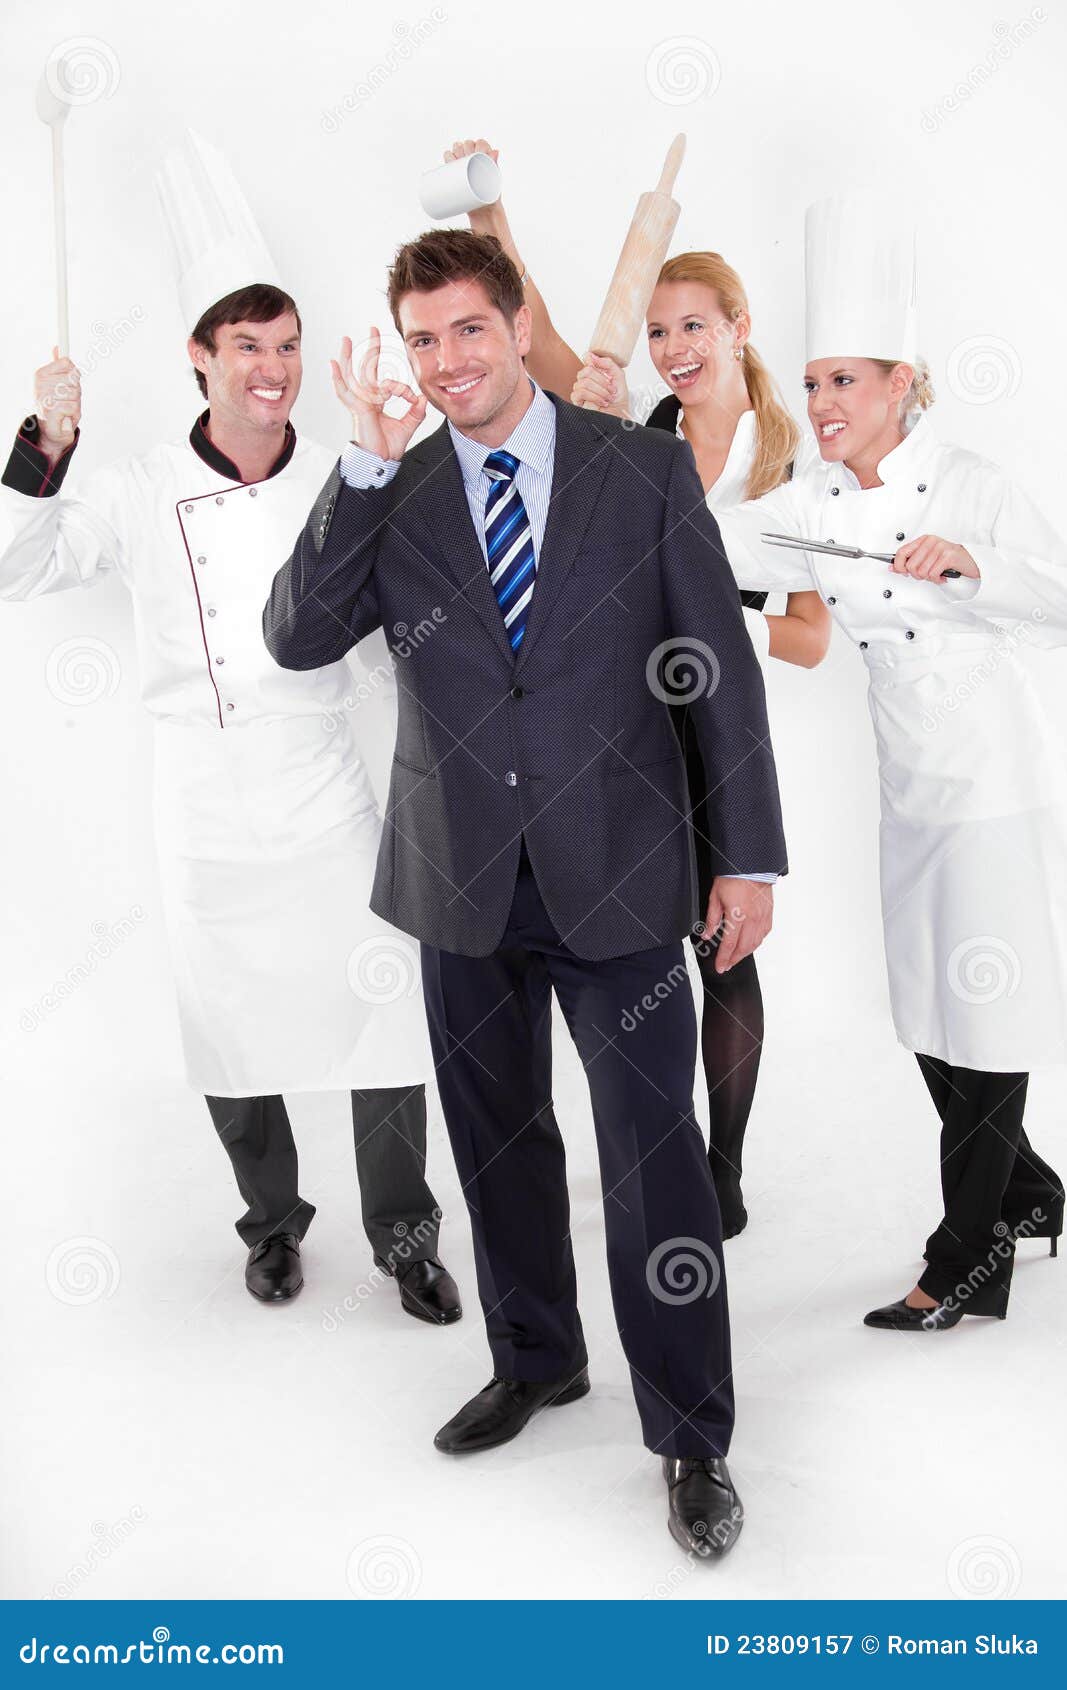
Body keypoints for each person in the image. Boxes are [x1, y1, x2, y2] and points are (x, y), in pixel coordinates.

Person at [264, 226, 789, 1558]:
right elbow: (295, 635)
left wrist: (746, 856)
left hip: (620, 872)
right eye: (422, 338)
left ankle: (690, 1434)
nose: (446, 362)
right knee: (497, 1148)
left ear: (515, 324)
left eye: (469, 332)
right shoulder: (392, 490)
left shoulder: (638, 466)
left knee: (650, 1161)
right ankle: (537, 1356)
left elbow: (713, 671)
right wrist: (364, 460)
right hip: (461, 884)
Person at [0, 134, 460, 1324]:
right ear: (198, 358)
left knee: (380, 1001)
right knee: (225, 1021)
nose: (273, 368)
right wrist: (43, 444)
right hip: (199, 800)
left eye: (288, 345)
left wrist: (388, 466)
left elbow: (403, 615)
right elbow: (17, 571)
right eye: (246, 345)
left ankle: (403, 1231)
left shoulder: (345, 470)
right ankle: (270, 1227)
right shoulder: (141, 486)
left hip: (319, 779)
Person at [442, 138, 830, 1234]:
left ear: (736, 327)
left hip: (716, 738)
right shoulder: (631, 429)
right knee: (655, 940)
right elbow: (547, 333)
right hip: (622, 741)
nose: (668, 348)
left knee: (726, 948)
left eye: (690, 326)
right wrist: (493, 204)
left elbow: (809, 640)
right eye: (658, 330)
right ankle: (660, 1149)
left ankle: (723, 1164)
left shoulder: (784, 463)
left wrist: (714, 615)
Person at [713, 193, 1065, 1328]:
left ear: (901, 383)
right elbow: (707, 539)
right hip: (906, 791)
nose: (818, 405)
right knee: (926, 1016)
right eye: (810, 383)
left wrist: (975, 565)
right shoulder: (810, 499)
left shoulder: (968, 482)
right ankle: (1030, 1190)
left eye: (842, 383)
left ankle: (961, 1260)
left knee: (987, 1017)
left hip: (994, 785)